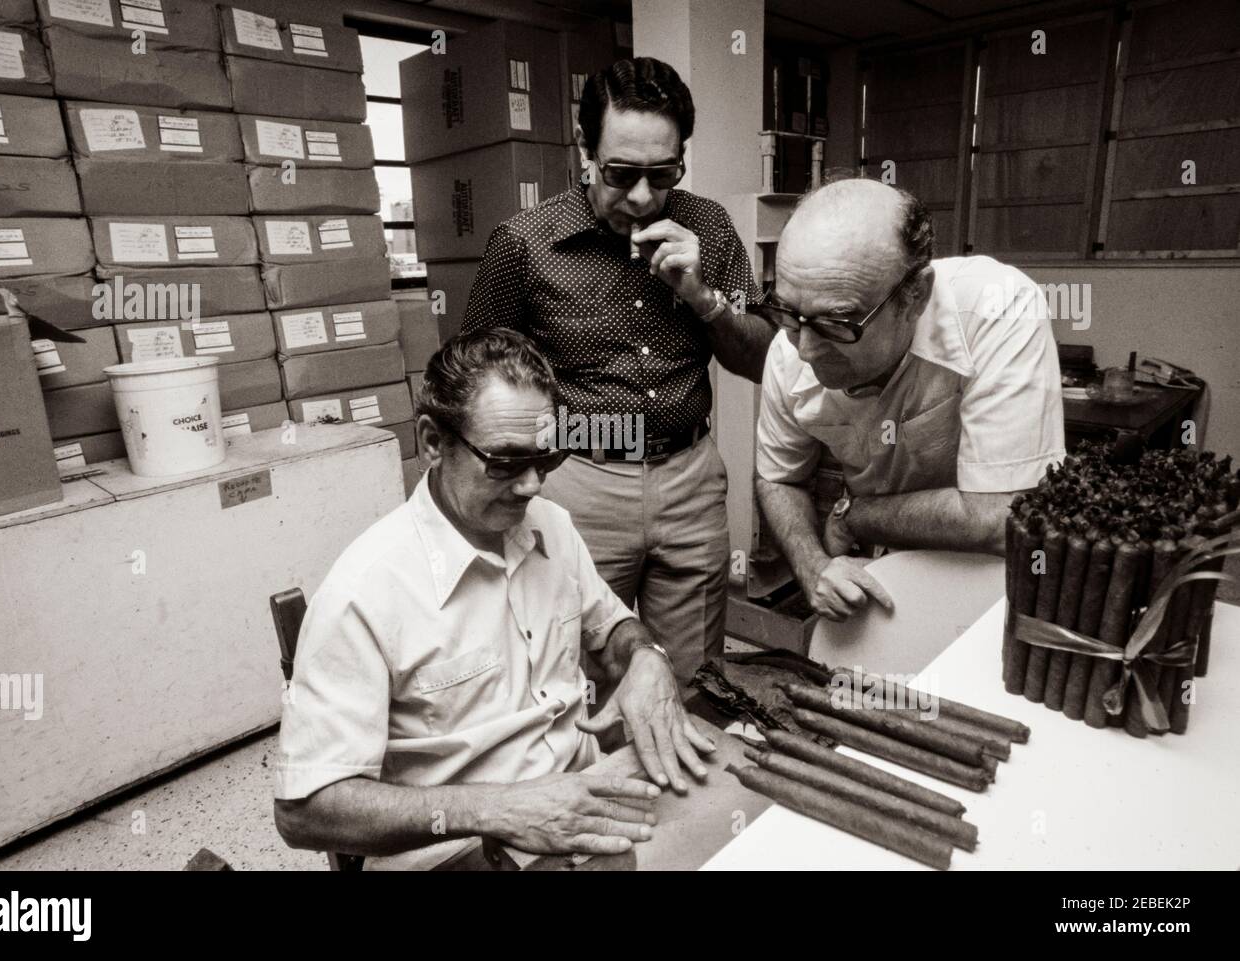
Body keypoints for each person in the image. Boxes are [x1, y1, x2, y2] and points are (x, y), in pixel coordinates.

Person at [274, 329, 715, 862]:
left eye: (546, 460)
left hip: (583, 805)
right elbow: (304, 811)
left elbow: (612, 629)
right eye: (504, 463)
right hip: (458, 848)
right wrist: (499, 810)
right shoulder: (364, 593)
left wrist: (647, 657)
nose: (532, 486)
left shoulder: (552, 526)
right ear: (432, 442)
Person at [462, 57, 774, 688]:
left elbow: (765, 356)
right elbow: (474, 382)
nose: (640, 197)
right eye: (620, 174)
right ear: (584, 150)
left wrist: (701, 296)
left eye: (662, 175)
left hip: (689, 482)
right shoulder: (524, 244)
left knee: (692, 686)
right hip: (576, 480)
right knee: (575, 679)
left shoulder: (708, 227)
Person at [753, 178, 1065, 622]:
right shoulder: (789, 353)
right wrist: (814, 568)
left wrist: (855, 517)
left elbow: (1000, 516)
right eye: (787, 313)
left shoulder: (999, 307)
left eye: (838, 323)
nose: (805, 350)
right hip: (879, 573)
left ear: (915, 295)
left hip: (992, 576)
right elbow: (778, 477)